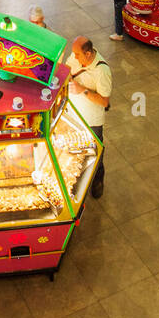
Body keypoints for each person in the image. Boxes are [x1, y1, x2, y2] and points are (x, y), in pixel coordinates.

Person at [66, 36, 112, 199]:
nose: (74, 57)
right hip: (72, 115)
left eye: (77, 54)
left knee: (95, 151)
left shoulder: (102, 71)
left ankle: (98, 180)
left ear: (87, 53)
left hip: (91, 120)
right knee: (74, 150)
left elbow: (104, 101)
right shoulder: (75, 57)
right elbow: (66, 69)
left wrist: (83, 90)